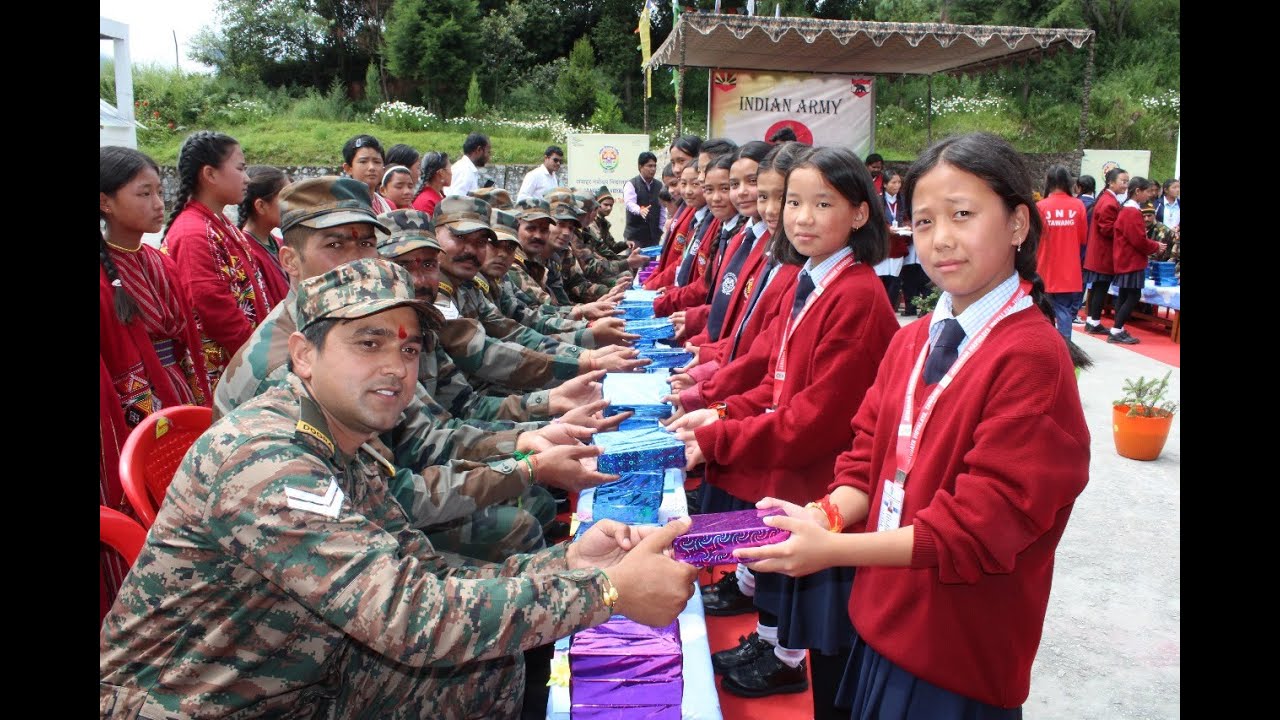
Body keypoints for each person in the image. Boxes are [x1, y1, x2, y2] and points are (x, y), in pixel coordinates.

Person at [99, 257, 702, 719]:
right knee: (461, 654)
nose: (396, 365)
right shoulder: (267, 458)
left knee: (482, 668)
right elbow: (410, 617)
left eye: (409, 347)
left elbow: (423, 573)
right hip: (189, 703)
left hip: (289, 671)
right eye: (368, 342)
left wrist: (569, 561)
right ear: (304, 355)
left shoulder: (343, 441)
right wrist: (605, 592)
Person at [736, 132, 1092, 719]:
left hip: (954, 648)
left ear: (1018, 224)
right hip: (883, 619)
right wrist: (823, 515)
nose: (941, 238)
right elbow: (865, 460)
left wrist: (834, 550)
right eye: (924, 222)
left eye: (962, 215)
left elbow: (978, 528)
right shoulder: (913, 340)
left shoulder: (1032, 358)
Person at [669, 145, 899, 713]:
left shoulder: (856, 296)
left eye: (822, 204)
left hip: (825, 481)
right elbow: (777, 382)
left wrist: (718, 435)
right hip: (796, 468)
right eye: (794, 202)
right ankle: (776, 648)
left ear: (860, 213)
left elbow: (813, 420)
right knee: (785, 587)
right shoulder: (815, 281)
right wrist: (721, 413)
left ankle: (784, 660)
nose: (800, 217)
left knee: (819, 620)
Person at [99, 146, 212, 619]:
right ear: (105, 202)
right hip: (130, 412)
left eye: (158, 191)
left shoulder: (159, 260)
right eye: (143, 193)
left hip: (178, 394)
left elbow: (188, 341)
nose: (157, 202)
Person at [161, 130, 272, 391]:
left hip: (242, 359)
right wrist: (257, 358)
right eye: (240, 168)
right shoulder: (193, 232)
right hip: (226, 370)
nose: (247, 178)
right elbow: (213, 309)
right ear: (210, 174)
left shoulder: (219, 224)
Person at [1107, 177, 1165, 344]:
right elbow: (1138, 240)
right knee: (1133, 295)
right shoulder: (1132, 211)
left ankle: (1118, 328)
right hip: (1131, 260)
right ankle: (1116, 330)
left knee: (1124, 295)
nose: (1149, 195)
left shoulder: (1127, 209)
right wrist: (1156, 246)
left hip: (1125, 259)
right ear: (1138, 191)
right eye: (1147, 191)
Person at [1036, 164, 1089, 340]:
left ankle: (1046, 344)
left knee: (1043, 310)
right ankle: (1066, 347)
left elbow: (1034, 239)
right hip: (1068, 269)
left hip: (1044, 267)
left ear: (1048, 182)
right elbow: (1083, 238)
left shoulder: (1040, 207)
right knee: (1064, 310)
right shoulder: (1078, 206)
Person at [1081, 167, 1129, 337]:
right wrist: (1124, 229)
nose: (1126, 185)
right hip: (1103, 253)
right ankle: (1094, 321)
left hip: (1099, 252)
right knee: (1101, 287)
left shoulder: (1106, 198)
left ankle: (1091, 320)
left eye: (1127, 182)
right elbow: (1107, 229)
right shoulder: (1109, 202)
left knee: (1098, 287)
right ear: (1111, 182)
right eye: (1123, 181)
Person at [237, 165, 292, 303]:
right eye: (286, 199)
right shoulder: (246, 255)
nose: (292, 206)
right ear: (261, 206)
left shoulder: (279, 243)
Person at [872, 168, 907, 312]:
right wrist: (887, 228)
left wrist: (907, 226)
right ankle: (878, 308)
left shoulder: (902, 200)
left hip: (898, 244)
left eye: (899, 182)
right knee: (879, 278)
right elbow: (873, 220)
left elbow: (907, 217)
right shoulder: (877, 200)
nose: (897, 185)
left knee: (895, 279)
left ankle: (890, 309)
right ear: (885, 184)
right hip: (882, 244)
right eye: (893, 182)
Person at [342, 134, 395, 214]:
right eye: (363, 161)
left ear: (383, 169)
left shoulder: (388, 206)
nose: (371, 167)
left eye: (377, 162)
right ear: (348, 168)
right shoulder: (340, 205)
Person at [623, 151, 665, 247]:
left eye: (654, 166)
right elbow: (629, 203)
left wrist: (660, 228)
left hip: (653, 237)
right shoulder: (631, 184)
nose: (653, 169)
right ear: (640, 167)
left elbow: (662, 209)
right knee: (635, 257)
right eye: (649, 166)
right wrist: (639, 210)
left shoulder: (659, 185)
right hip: (635, 238)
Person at [445, 132, 491, 197]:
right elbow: (456, 200)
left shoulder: (466, 168)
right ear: (479, 150)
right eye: (488, 152)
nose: (489, 157)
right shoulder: (465, 171)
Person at [412, 151, 451, 216]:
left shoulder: (437, 194)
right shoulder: (427, 203)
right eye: (450, 168)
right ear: (441, 173)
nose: (451, 173)